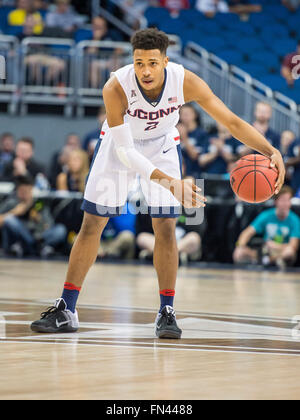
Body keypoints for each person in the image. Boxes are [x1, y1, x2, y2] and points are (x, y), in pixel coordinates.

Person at [31, 28, 285, 339]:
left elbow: (231, 122)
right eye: (139, 63)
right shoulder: (116, 87)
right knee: (92, 223)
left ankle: (167, 311)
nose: (146, 71)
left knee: (165, 225)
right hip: (119, 146)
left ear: (164, 61)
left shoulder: (185, 81)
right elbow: (126, 152)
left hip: (163, 144)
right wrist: (171, 183)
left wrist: (271, 151)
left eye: (152, 63)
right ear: (132, 62)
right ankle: (66, 308)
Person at [233, 186, 300, 268]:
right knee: (239, 253)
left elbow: (293, 245)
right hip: (265, 251)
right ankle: (266, 261)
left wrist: (275, 246)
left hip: (281, 251)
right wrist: (240, 245)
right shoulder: (266, 215)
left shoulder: (294, 220)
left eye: (288, 200)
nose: (285, 204)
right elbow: (247, 233)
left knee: (289, 252)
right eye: (283, 200)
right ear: (276, 202)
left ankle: (268, 261)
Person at [0, 175, 67, 257]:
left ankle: (37, 247)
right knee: (9, 220)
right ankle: (35, 248)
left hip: (38, 236)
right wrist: (14, 212)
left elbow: (49, 224)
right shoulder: (11, 202)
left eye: (27, 191)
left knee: (60, 229)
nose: (25, 195)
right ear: (17, 191)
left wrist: (39, 219)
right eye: (22, 191)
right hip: (21, 238)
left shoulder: (38, 204)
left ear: (31, 189)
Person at [178, 104, 207, 179]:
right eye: (182, 114)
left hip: (197, 175)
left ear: (195, 115)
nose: (184, 116)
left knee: (200, 190)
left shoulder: (201, 133)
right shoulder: (174, 132)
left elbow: (195, 156)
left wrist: (184, 137)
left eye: (187, 114)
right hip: (178, 174)